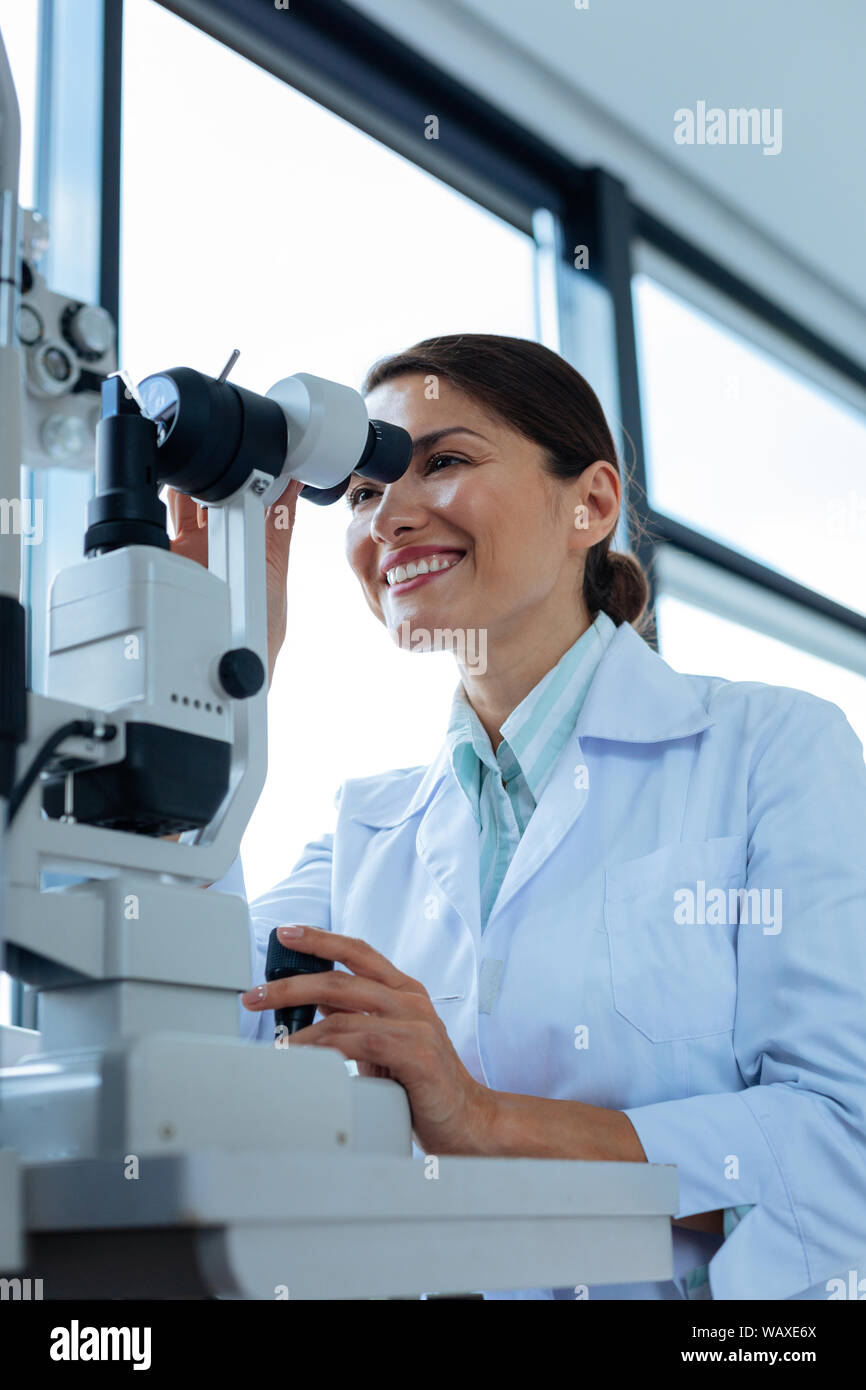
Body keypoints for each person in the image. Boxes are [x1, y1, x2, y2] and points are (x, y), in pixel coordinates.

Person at [168, 334, 866, 1300]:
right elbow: (179, 1044)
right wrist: (204, 677)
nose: (393, 518)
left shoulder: (774, 752)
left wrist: (488, 1120)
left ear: (593, 502)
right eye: (365, 490)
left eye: (444, 462)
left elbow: (843, 1145)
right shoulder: (364, 832)